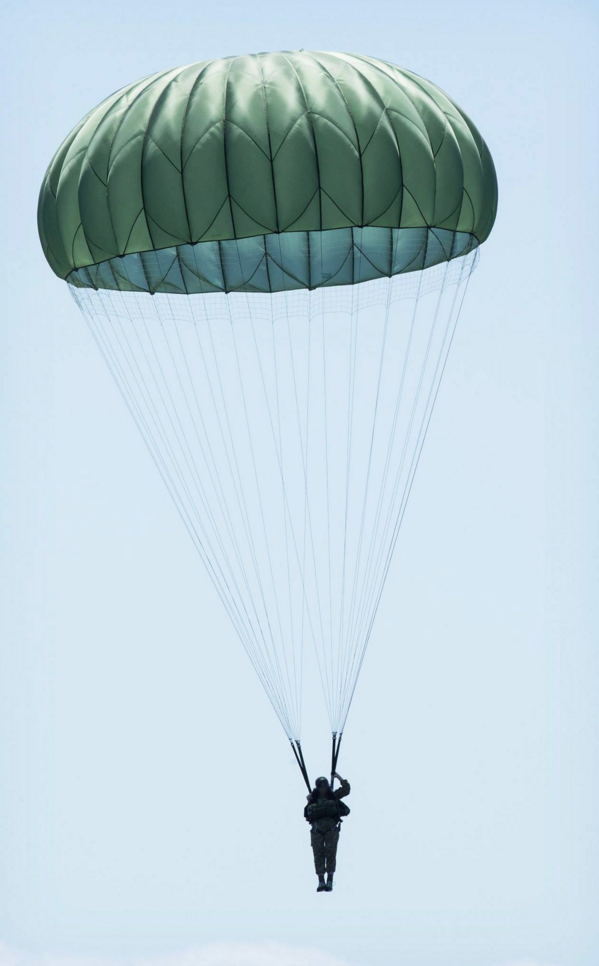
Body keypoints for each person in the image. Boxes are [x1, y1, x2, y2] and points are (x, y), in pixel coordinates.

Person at [304, 771, 350, 892]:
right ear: (317, 788)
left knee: (331, 853)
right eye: (320, 786)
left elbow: (346, 790)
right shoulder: (313, 799)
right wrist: (308, 800)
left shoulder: (333, 796)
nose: (323, 789)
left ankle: (330, 880)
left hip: (331, 830)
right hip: (316, 831)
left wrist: (339, 777)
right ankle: (321, 881)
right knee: (318, 854)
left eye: (324, 786)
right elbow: (307, 813)